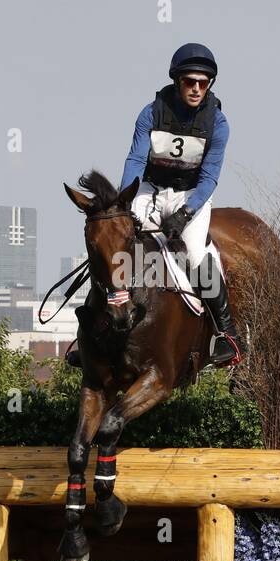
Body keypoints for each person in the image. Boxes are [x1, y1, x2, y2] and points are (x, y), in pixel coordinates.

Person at [68, 43, 242, 368]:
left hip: (191, 194)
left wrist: (185, 214)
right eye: (190, 81)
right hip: (150, 187)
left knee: (192, 253)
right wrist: (126, 200)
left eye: (203, 83)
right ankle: (97, 329)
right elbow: (135, 159)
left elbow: (209, 178)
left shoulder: (218, 124)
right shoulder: (151, 112)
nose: (196, 88)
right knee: (121, 248)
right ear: (178, 81)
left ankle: (227, 334)